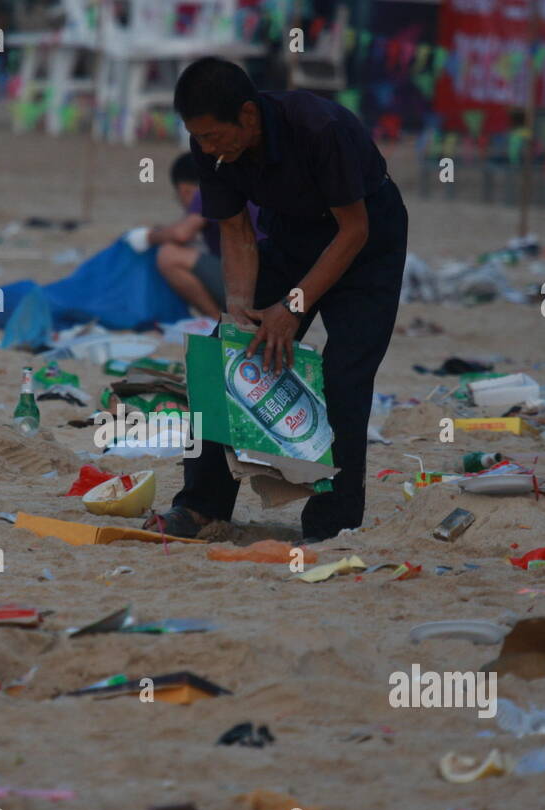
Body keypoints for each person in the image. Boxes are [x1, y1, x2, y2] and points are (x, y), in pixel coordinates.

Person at [147, 57, 407, 544]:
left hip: (368, 242)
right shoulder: (211, 147)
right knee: (229, 354)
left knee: (344, 378)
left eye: (212, 136)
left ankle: (334, 522)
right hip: (293, 234)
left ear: (247, 116)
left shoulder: (319, 129)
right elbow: (236, 230)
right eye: (197, 137)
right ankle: (202, 506)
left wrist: (292, 307)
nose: (206, 148)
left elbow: (354, 231)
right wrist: (241, 310)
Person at [124, 154, 263, 320]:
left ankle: (216, 321)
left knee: (169, 255)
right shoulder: (239, 183)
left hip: (254, 281)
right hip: (273, 278)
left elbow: (181, 234)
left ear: (184, 189)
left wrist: (146, 237)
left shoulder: (208, 189)